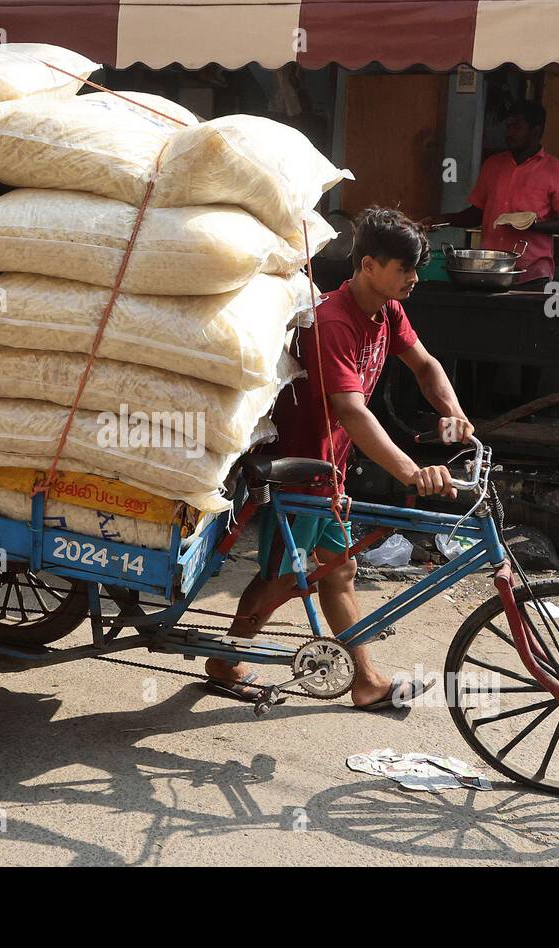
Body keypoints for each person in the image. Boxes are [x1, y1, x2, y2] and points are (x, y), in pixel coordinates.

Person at [204, 207, 474, 710]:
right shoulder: (332, 322)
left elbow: (425, 365)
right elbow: (351, 411)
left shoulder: (387, 311)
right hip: (299, 467)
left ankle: (365, 681)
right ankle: (224, 662)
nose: (414, 279)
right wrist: (411, 473)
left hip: (331, 468)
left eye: (416, 269)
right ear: (369, 265)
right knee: (285, 577)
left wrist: (455, 414)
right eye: (404, 269)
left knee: (339, 569)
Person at [433, 101, 559, 288]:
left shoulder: (558, 171)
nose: (509, 133)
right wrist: (441, 219)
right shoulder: (492, 165)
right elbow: (476, 214)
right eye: (508, 126)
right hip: (489, 271)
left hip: (532, 273)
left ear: (536, 130)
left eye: (517, 126)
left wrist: (531, 225)